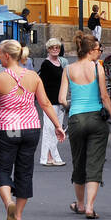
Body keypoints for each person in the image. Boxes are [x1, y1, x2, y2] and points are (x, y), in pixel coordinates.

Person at [0, 39, 65, 220]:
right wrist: (57, 125)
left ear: (7, 56)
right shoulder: (33, 76)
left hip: (7, 128)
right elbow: (45, 103)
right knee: (25, 171)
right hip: (31, 128)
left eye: (0, 54)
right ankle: (20, 215)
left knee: (2, 168)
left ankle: (9, 203)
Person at [61, 30, 111, 218]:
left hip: (76, 119)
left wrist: (73, 104)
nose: (100, 52)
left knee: (79, 162)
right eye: (98, 49)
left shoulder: (68, 70)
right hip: (96, 119)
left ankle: (79, 204)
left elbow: (61, 98)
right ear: (90, 51)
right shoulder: (98, 68)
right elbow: (105, 97)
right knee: (95, 164)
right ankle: (89, 207)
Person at [37, 38, 68, 166]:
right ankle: (47, 157)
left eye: (57, 47)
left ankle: (51, 156)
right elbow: (41, 84)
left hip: (59, 101)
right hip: (49, 101)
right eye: (52, 47)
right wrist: (43, 100)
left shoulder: (61, 63)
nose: (55, 49)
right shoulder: (46, 64)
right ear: (48, 49)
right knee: (49, 129)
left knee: (58, 129)